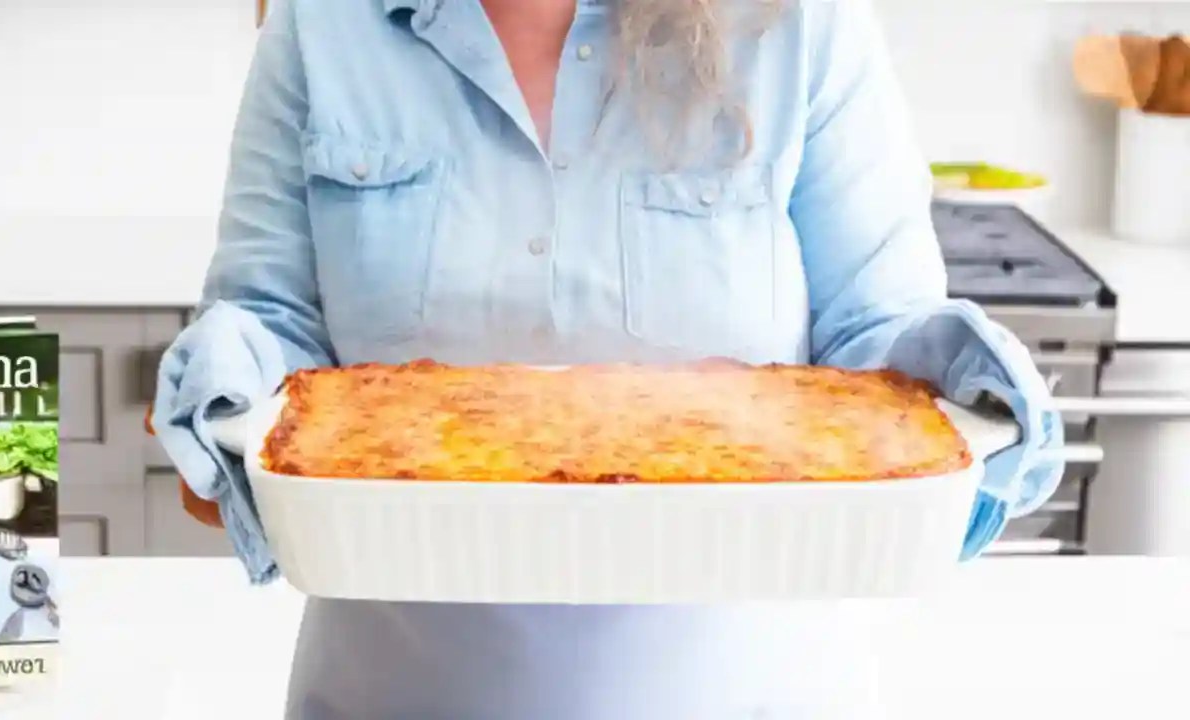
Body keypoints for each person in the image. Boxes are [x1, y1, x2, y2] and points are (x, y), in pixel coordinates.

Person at [152, 0, 1064, 717]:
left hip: (753, 691)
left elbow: (880, 352)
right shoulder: (322, 22)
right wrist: (226, 404)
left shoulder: (801, 21)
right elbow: (275, 328)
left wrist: (971, 386)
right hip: (403, 692)